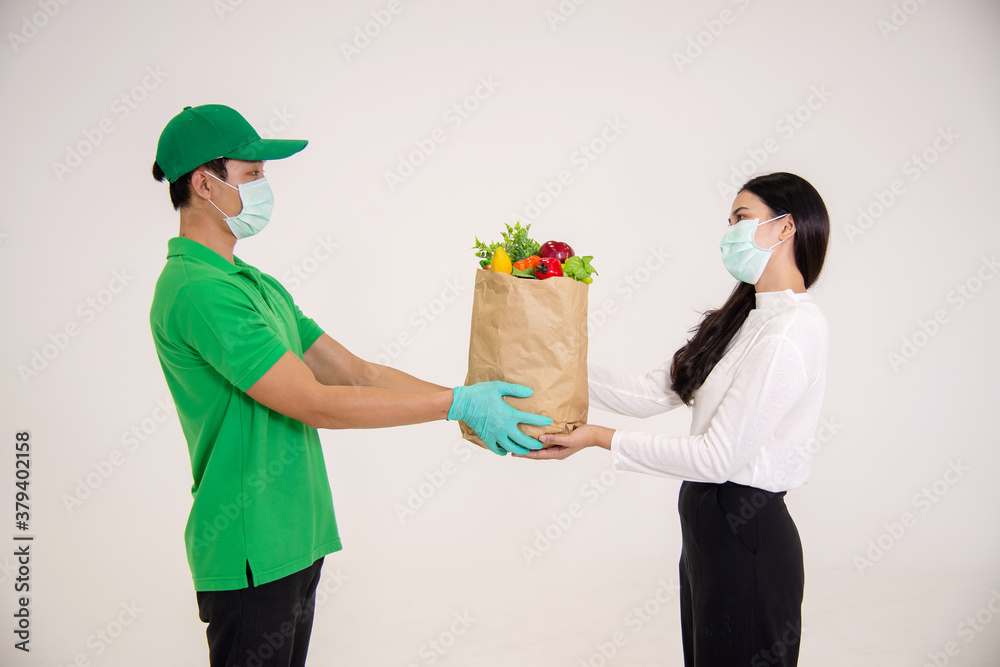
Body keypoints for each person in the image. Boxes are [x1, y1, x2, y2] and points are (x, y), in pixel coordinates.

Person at [148, 104, 552, 667]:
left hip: (295, 537)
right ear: (202, 182)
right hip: (249, 547)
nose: (266, 186)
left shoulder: (253, 285)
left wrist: (469, 400)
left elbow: (355, 373)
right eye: (252, 174)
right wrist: (455, 405)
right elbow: (316, 403)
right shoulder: (199, 291)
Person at [520, 172, 830, 666]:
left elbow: (717, 457)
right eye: (728, 220)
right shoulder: (746, 318)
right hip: (708, 524)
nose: (729, 232)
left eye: (741, 219)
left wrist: (598, 438)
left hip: (746, 528)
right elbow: (651, 391)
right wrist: (554, 363)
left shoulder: (791, 333)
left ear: (786, 227)